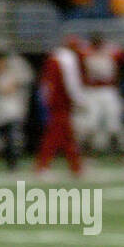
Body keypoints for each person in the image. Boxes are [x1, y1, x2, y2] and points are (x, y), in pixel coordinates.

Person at [35, 36, 85, 177]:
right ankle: (42, 167)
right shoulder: (67, 59)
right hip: (61, 101)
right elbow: (71, 83)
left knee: (66, 135)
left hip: (53, 100)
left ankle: (76, 167)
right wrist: (79, 100)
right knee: (55, 135)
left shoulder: (54, 57)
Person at [0, 52, 32, 173]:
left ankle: (12, 165)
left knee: (10, 141)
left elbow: (8, 90)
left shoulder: (11, 75)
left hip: (8, 113)